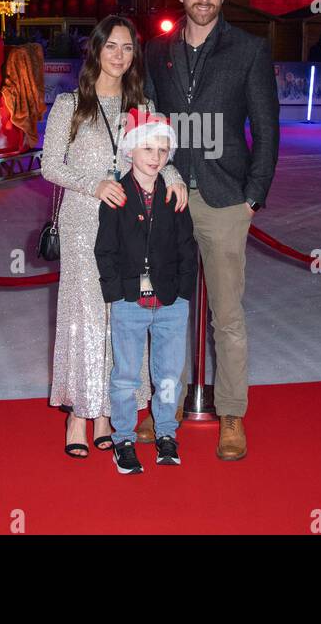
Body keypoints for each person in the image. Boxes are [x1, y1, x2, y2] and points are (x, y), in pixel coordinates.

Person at [140, 0, 280, 461]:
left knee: (227, 316)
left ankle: (232, 415)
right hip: (170, 195)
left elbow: (266, 129)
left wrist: (253, 196)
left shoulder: (248, 50)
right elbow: (151, 120)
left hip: (225, 199)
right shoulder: (157, 51)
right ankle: (165, 410)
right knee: (164, 312)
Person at [40, 15, 188, 458]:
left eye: (128, 48)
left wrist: (175, 175)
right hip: (84, 222)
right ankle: (78, 415)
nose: (120, 56)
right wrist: (94, 185)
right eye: (112, 47)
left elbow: (160, 152)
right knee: (86, 320)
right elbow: (50, 165)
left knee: (119, 320)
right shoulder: (71, 104)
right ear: (96, 50)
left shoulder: (140, 105)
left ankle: (108, 411)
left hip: (129, 226)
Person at [95, 109, 198, 474]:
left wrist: (184, 292)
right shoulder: (118, 195)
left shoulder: (173, 195)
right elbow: (104, 249)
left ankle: (166, 432)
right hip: (129, 301)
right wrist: (114, 294)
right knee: (125, 374)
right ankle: (123, 437)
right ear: (131, 151)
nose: (155, 158)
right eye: (148, 149)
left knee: (168, 374)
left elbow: (188, 246)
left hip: (171, 301)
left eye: (162, 150)